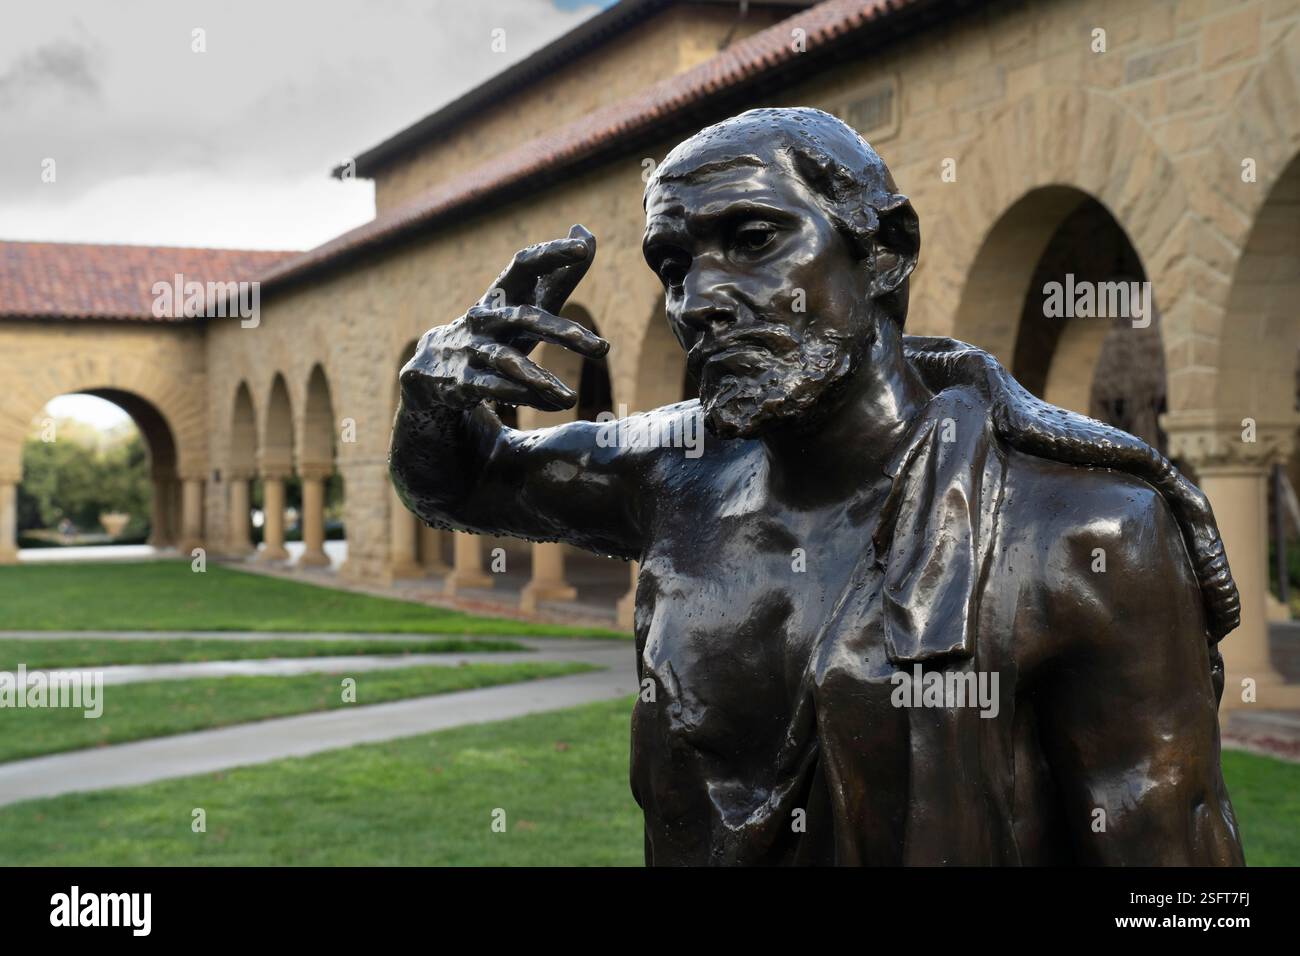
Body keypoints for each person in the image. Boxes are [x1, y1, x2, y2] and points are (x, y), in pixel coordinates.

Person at [390, 108, 1244, 866]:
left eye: (755, 240)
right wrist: (433, 400)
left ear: (883, 253)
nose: (700, 299)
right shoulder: (669, 473)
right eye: (675, 264)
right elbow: (463, 480)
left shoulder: (1083, 532)